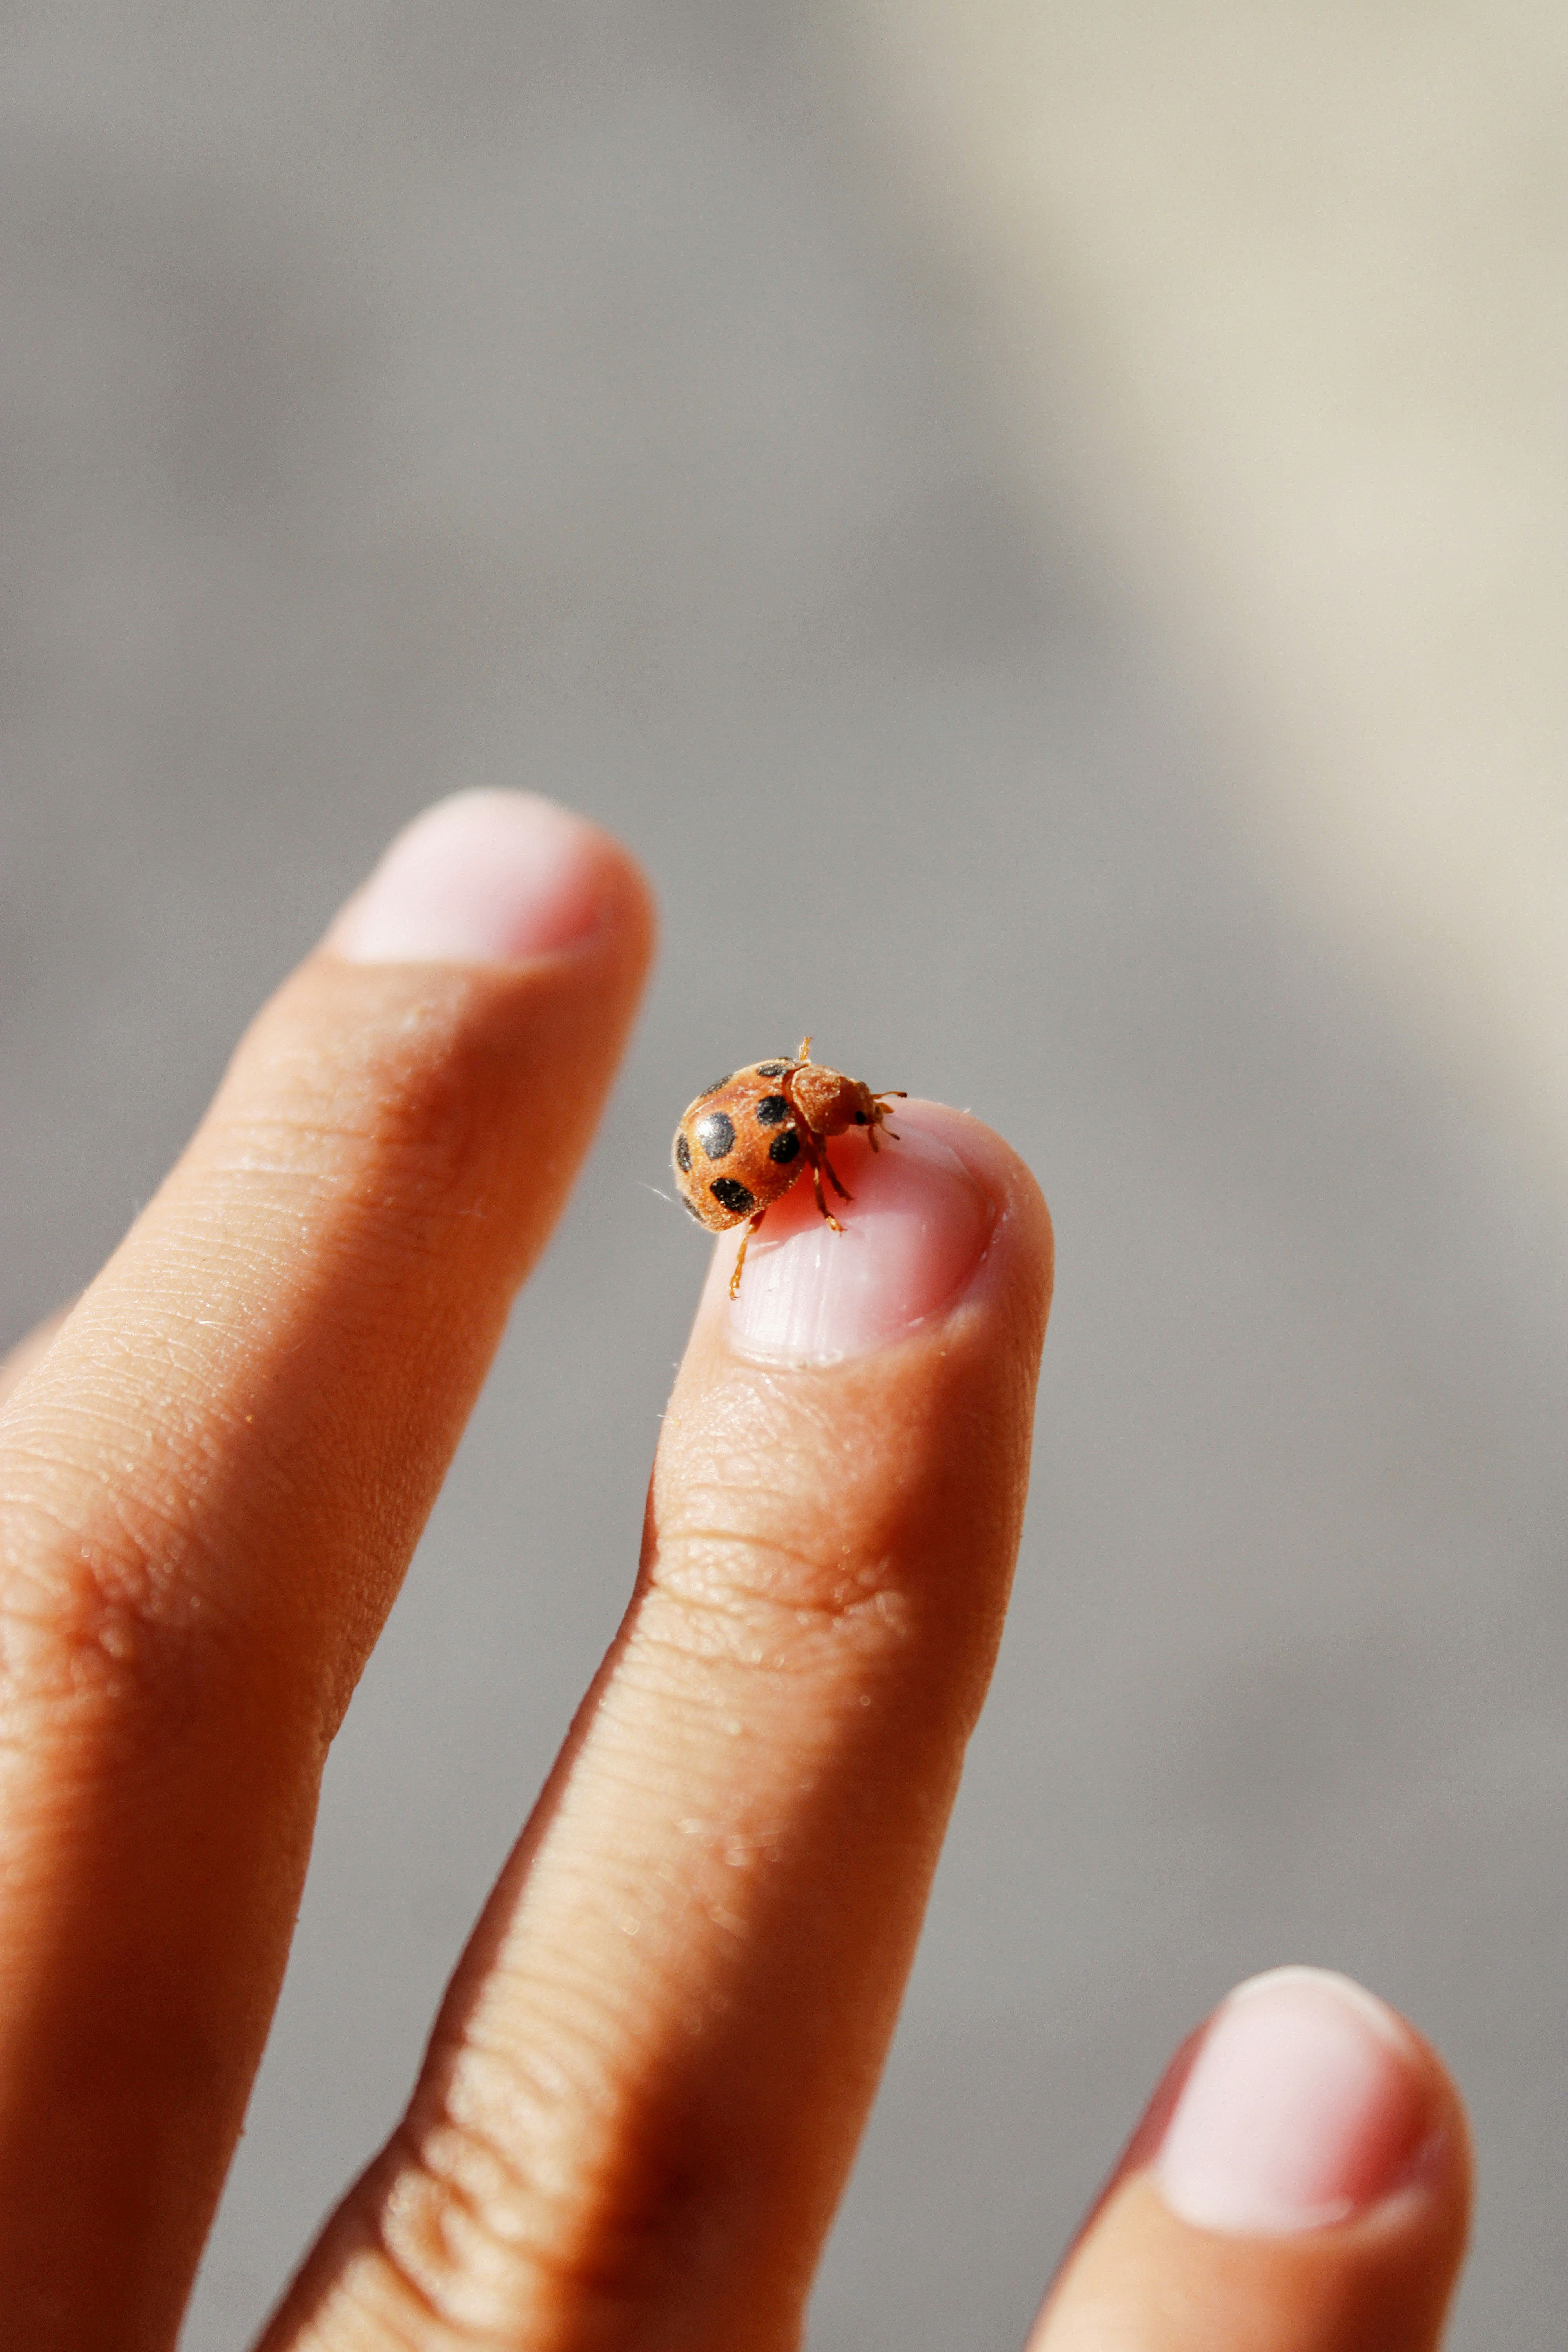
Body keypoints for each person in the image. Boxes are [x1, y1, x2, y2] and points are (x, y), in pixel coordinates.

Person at [0, 790, 1471, 2350]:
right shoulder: (798, 1137)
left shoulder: (795, 1119)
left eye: (833, 1120)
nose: (849, 1123)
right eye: (840, 1120)